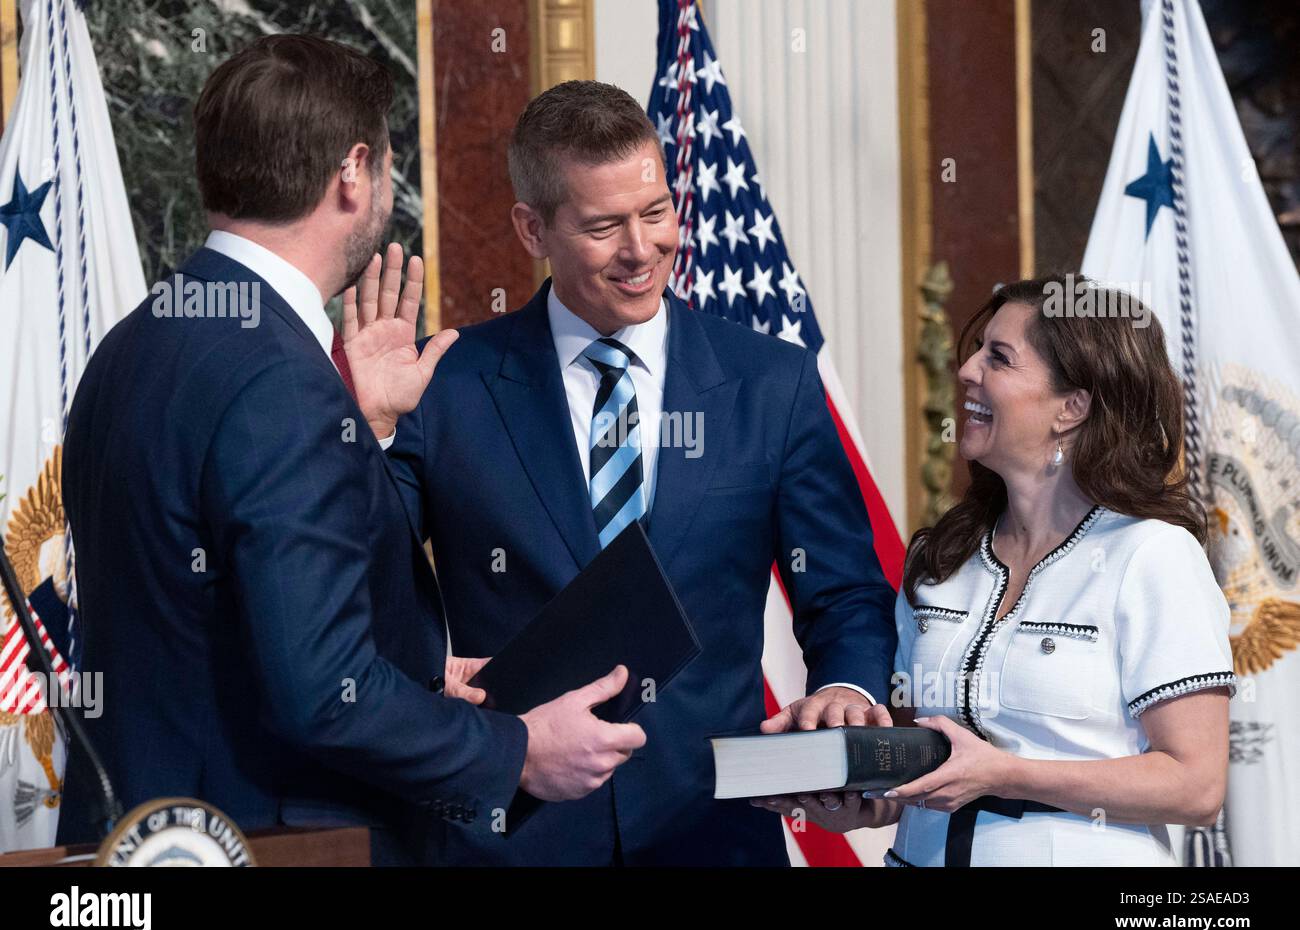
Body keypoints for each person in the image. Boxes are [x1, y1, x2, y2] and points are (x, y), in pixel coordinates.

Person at [57, 35, 644, 864]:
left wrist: (413, 661)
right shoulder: (279, 379)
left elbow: (231, 612)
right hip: (270, 836)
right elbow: (319, 694)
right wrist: (516, 750)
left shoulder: (133, 344)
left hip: (137, 843)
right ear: (353, 170)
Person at [364, 80, 898, 866]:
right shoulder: (445, 385)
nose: (641, 249)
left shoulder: (771, 384)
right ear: (532, 228)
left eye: (655, 213)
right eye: (605, 225)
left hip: (713, 834)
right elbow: (351, 577)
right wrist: (367, 431)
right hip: (506, 839)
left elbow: (846, 592)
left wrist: (845, 692)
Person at [754, 276, 1236, 865]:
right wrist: (853, 802)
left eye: (999, 358)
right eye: (978, 349)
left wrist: (1004, 774)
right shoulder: (942, 558)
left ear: (1072, 407)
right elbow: (917, 770)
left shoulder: (1152, 555)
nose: (967, 370)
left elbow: (1196, 786)